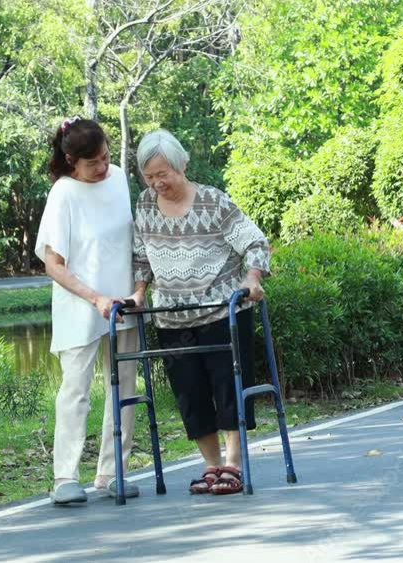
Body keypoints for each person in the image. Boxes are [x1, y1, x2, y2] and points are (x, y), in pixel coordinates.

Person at [130, 128, 270, 496]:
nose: (157, 183)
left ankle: (233, 464)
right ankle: (210, 465)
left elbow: (254, 240)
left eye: (164, 174)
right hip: (172, 318)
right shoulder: (144, 205)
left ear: (182, 166)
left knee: (228, 388)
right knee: (189, 394)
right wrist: (139, 292)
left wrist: (252, 279)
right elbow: (141, 255)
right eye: (150, 176)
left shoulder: (213, 202)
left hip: (221, 311)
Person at [34, 117, 140, 504]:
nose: (102, 167)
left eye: (106, 157)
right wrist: (95, 297)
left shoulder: (117, 179)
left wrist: (136, 290)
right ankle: (65, 476)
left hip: (124, 302)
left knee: (124, 385)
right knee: (76, 389)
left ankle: (114, 472)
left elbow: (131, 239)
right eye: (92, 162)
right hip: (81, 303)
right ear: (70, 161)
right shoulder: (63, 194)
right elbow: (53, 264)